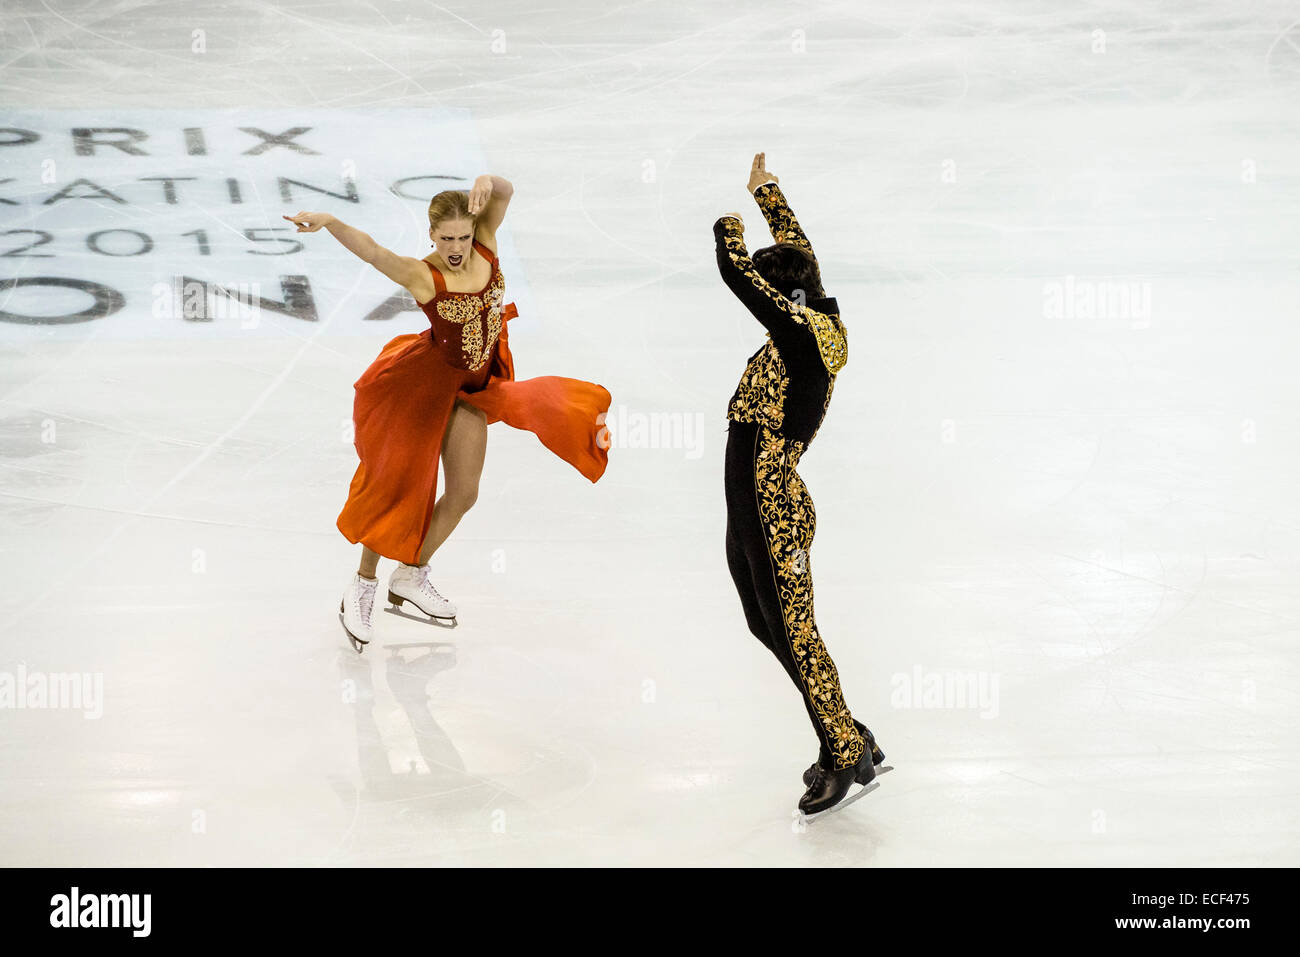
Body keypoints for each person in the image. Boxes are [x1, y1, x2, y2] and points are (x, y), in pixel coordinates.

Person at [284, 174, 611, 651]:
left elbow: (504, 191)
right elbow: (373, 252)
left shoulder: (486, 245)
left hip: (475, 385)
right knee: (400, 486)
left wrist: (486, 180)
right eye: (446, 238)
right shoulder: (424, 275)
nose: (456, 246)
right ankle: (363, 584)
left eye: (462, 236)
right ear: (431, 235)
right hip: (424, 387)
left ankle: (411, 575)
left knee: (463, 493)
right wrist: (332, 221)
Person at [715, 153, 886, 814]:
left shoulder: (794, 336)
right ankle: (843, 727)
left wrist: (728, 226)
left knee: (796, 633)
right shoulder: (814, 315)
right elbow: (801, 258)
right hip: (755, 502)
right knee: (767, 624)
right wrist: (768, 194)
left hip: (772, 506)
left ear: (782, 301)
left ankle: (845, 749)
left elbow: (737, 272)